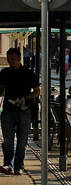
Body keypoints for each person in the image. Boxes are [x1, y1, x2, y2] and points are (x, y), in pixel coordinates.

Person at [0, 47, 38, 175]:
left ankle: (19, 166)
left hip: (24, 110)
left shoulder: (28, 73)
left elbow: (37, 92)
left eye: (14, 59)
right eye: (9, 60)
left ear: (19, 59)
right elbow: (1, 89)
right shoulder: (4, 72)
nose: (11, 62)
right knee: (8, 140)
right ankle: (7, 164)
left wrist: (25, 98)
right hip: (8, 110)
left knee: (22, 141)